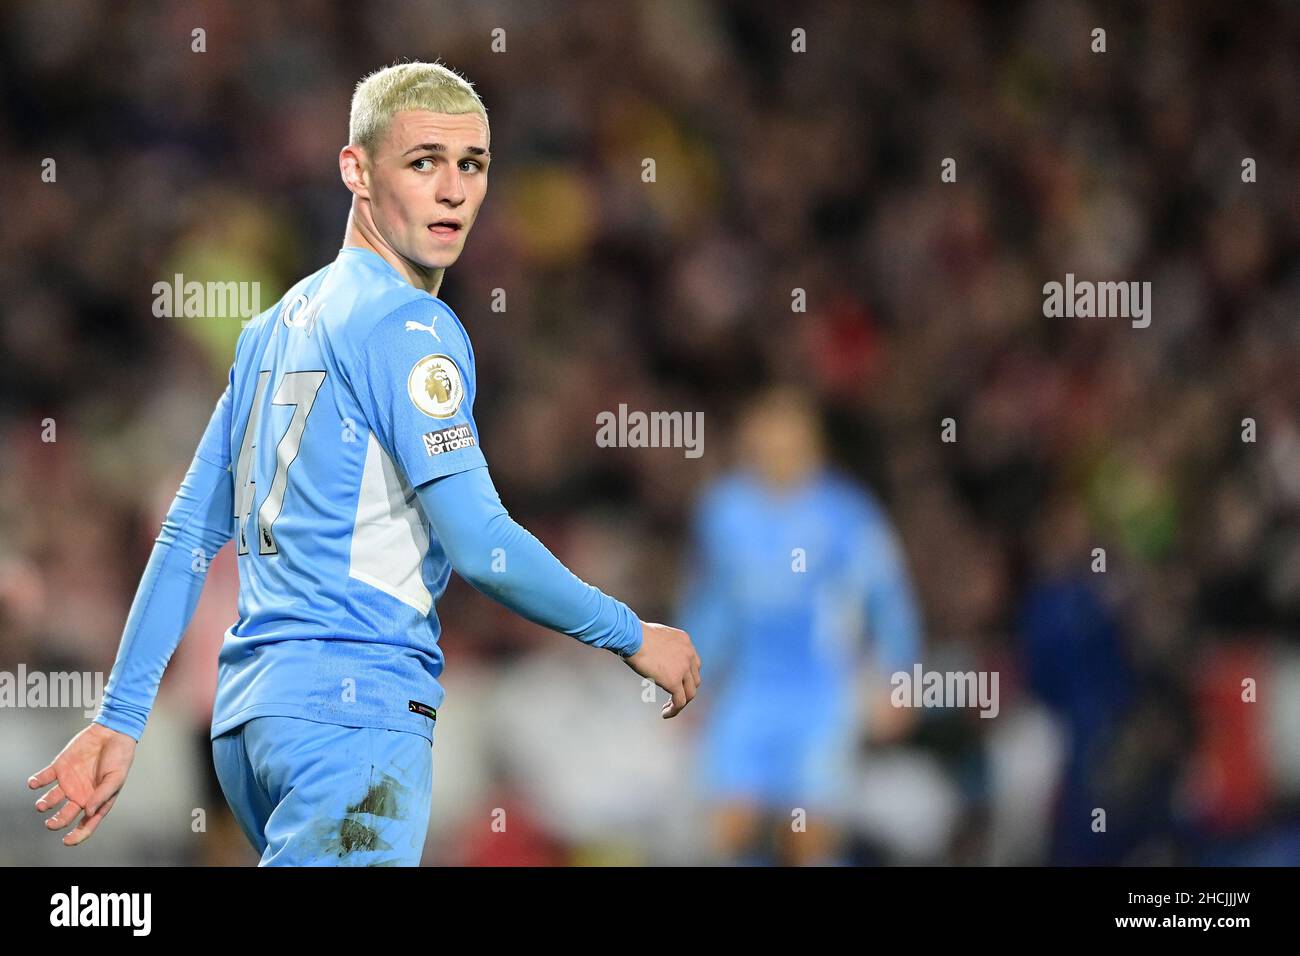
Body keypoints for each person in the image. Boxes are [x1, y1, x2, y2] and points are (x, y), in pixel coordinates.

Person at [27, 60, 700, 866]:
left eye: (472, 165)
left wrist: (121, 715)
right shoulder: (408, 328)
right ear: (356, 169)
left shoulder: (270, 330)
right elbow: (482, 544)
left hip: (254, 727)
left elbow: (187, 537)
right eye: (424, 162)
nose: (453, 190)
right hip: (351, 717)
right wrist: (631, 634)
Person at [679, 385, 920, 865]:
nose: (774, 446)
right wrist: (686, 678)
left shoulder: (846, 513)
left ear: (811, 441)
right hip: (748, 690)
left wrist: (899, 676)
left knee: (808, 836)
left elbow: (888, 598)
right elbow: (710, 601)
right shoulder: (724, 512)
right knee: (729, 829)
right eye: (764, 434)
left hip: (820, 691)